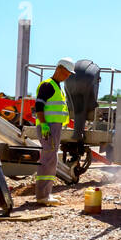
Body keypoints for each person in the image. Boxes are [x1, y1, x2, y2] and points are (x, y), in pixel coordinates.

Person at [33, 57, 75, 206]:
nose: (68, 76)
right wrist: (44, 125)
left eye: (70, 73)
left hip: (53, 127)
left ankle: (46, 194)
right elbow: (39, 106)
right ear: (59, 69)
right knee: (48, 159)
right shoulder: (48, 85)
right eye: (67, 72)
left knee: (51, 159)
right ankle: (43, 195)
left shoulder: (57, 87)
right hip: (48, 126)